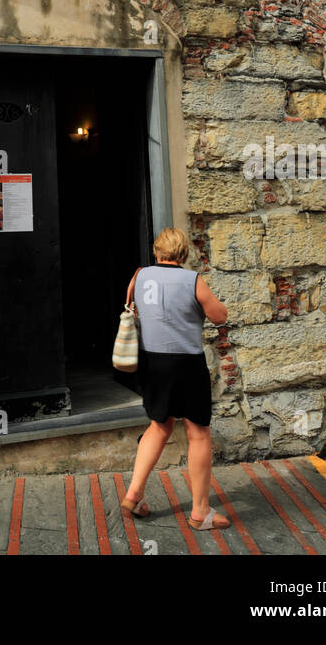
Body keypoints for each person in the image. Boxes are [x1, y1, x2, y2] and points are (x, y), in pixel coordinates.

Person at [121, 227, 230, 531]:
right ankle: (200, 512)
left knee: (159, 425)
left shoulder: (139, 275)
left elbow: (133, 306)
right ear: (183, 254)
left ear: (157, 252)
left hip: (152, 363)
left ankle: (133, 494)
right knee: (198, 433)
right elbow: (220, 316)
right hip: (185, 363)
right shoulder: (192, 280)